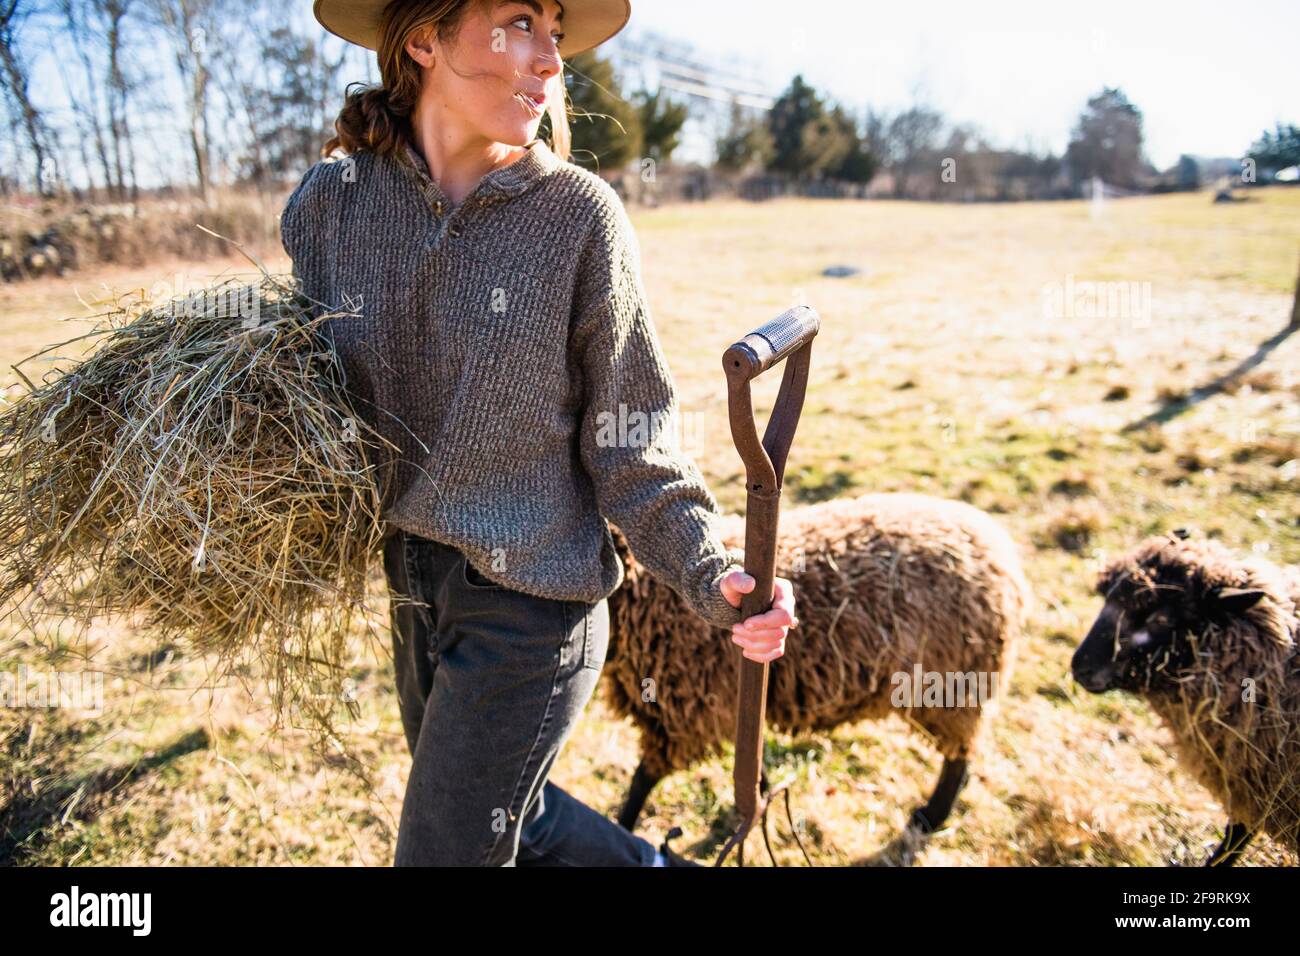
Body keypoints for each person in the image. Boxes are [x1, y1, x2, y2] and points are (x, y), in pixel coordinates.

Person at [281, 0, 797, 866]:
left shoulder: (577, 218)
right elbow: (302, 391)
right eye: (520, 21)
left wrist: (716, 570)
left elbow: (632, 442)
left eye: (555, 31)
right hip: (411, 581)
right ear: (422, 37)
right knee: (516, 820)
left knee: (444, 851)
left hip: (533, 602)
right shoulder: (330, 207)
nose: (551, 58)